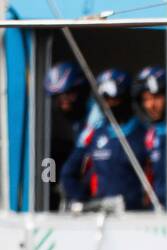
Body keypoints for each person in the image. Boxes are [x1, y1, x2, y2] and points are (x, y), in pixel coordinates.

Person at [59, 68, 149, 210]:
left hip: (137, 219)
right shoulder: (94, 133)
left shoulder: (145, 134)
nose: (108, 104)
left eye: (114, 98)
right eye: (104, 99)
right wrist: (84, 202)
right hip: (101, 218)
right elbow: (68, 173)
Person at [44, 62, 92, 205]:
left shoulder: (98, 118)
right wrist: (50, 186)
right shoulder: (73, 123)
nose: (64, 102)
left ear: (82, 90)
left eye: (69, 94)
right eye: (59, 97)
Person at [134, 65, 167, 209]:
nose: (150, 105)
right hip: (157, 212)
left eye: (156, 97)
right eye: (145, 99)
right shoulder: (150, 135)